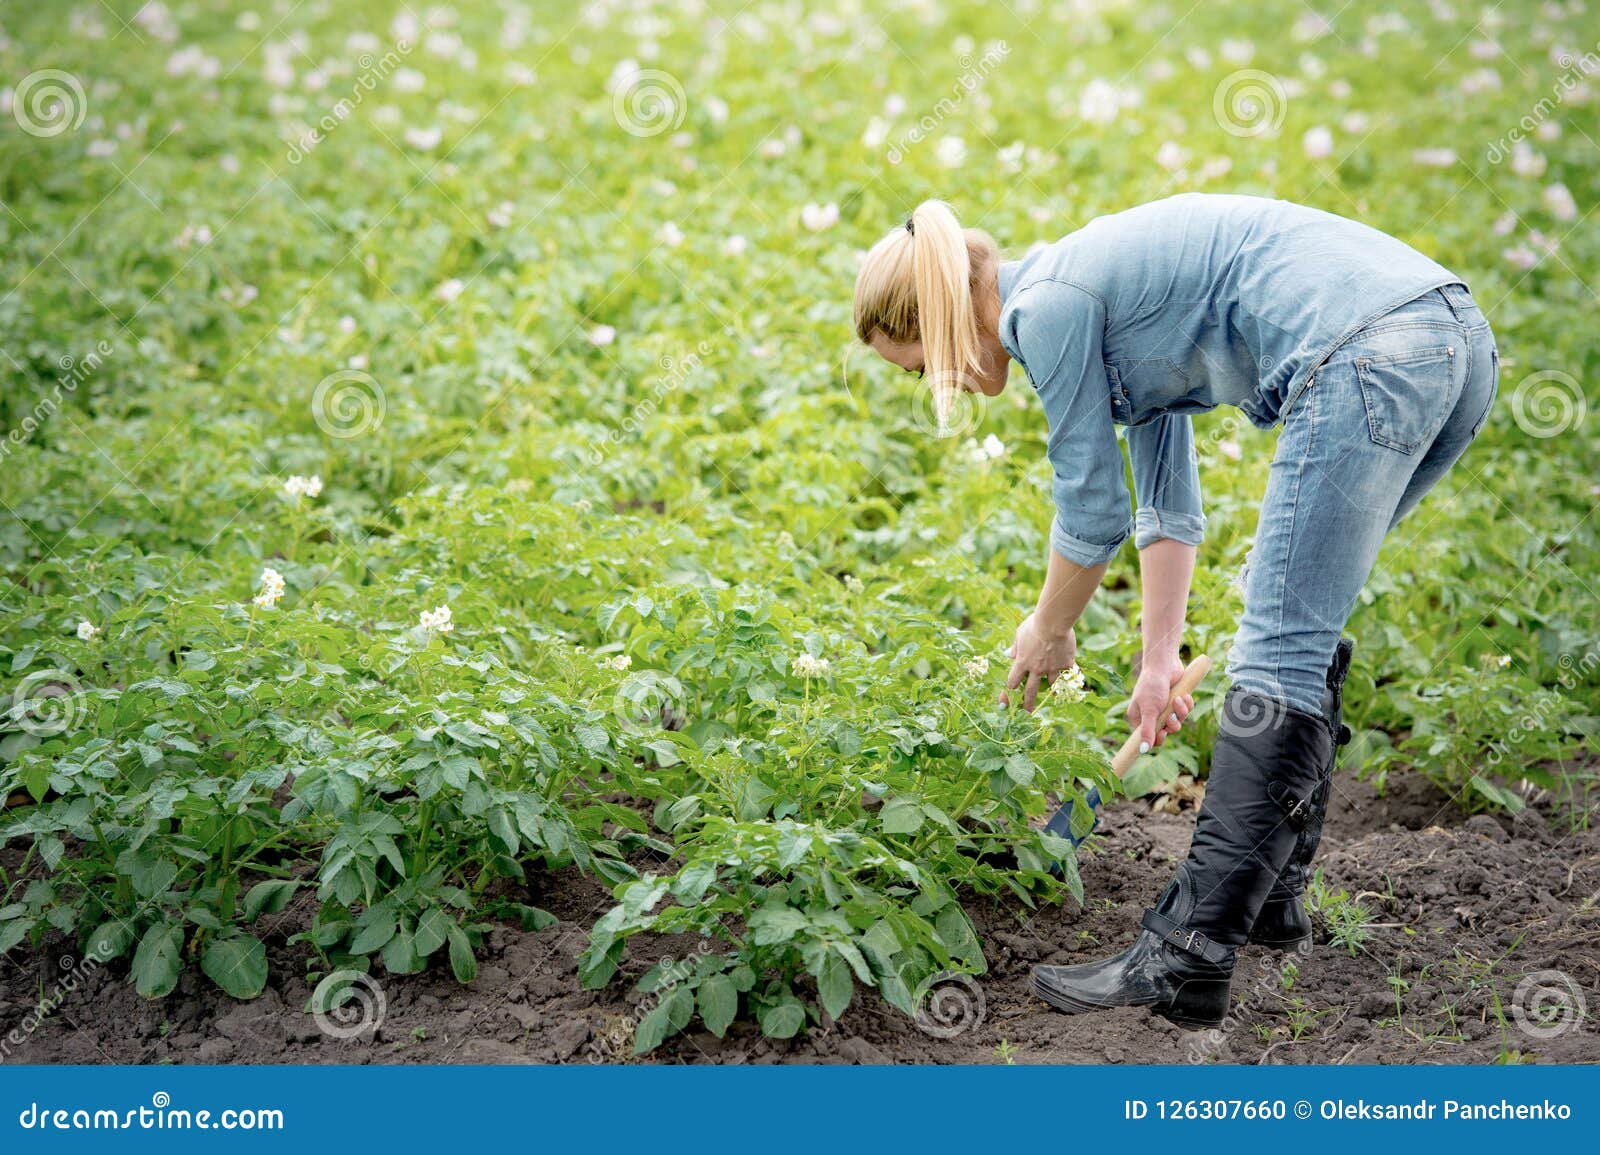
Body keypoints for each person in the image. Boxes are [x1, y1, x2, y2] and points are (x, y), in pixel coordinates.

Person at [851, 193, 1497, 1028]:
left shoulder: (1046, 308)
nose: (940, 385)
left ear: (940, 319)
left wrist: (1048, 629)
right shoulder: (1089, 287)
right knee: (1296, 629)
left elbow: (1091, 512)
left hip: (1372, 348)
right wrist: (1159, 660)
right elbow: (1164, 501)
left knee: (1279, 649)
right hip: (1450, 340)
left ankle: (1186, 955)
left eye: (917, 365)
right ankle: (1268, 899)